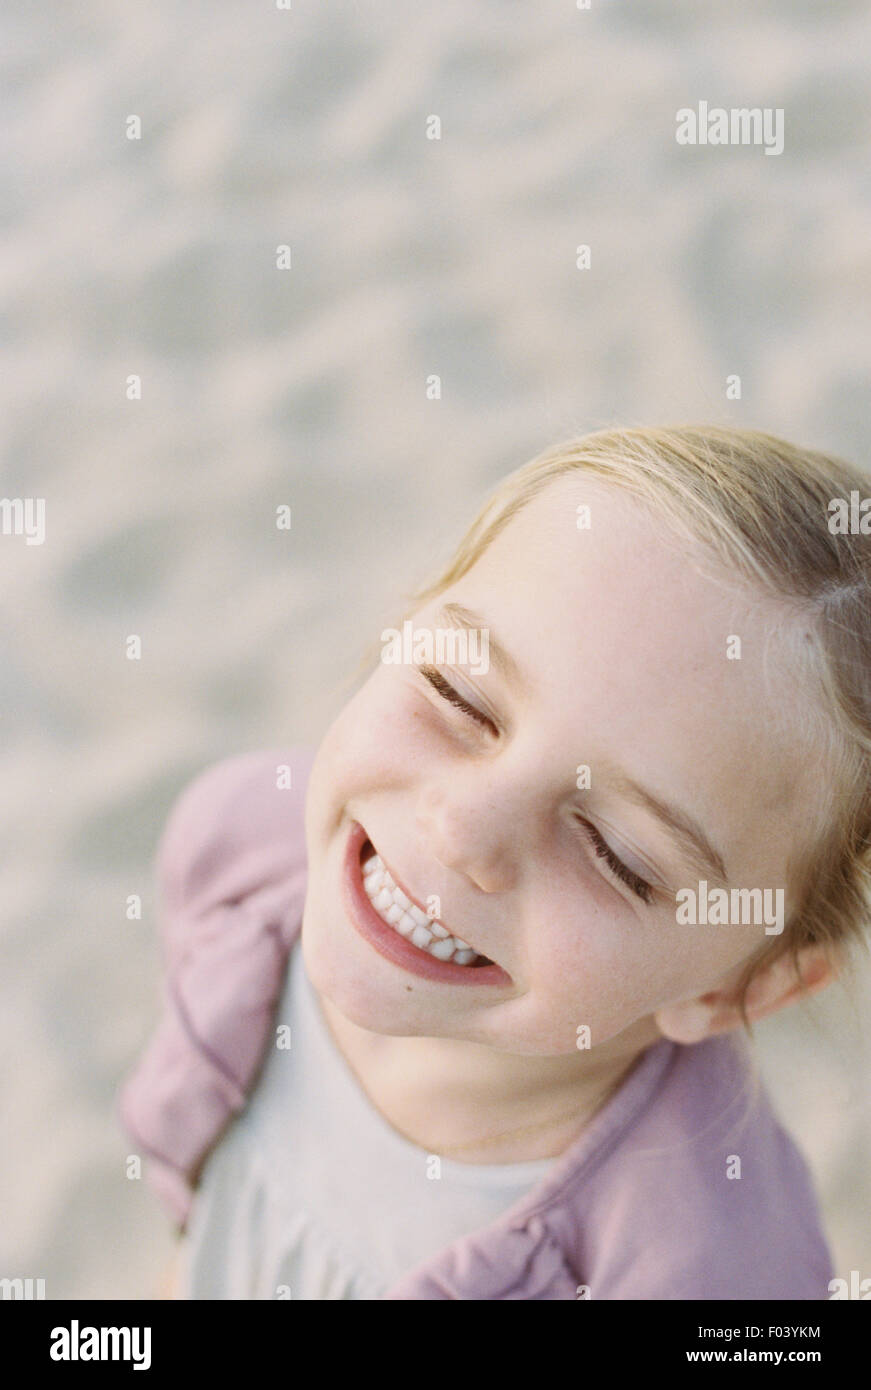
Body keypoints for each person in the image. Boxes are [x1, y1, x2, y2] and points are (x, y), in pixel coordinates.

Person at [119, 424, 871, 1299]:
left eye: (615, 854)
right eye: (456, 695)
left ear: (742, 987)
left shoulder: (714, 1265)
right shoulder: (244, 846)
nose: (460, 831)